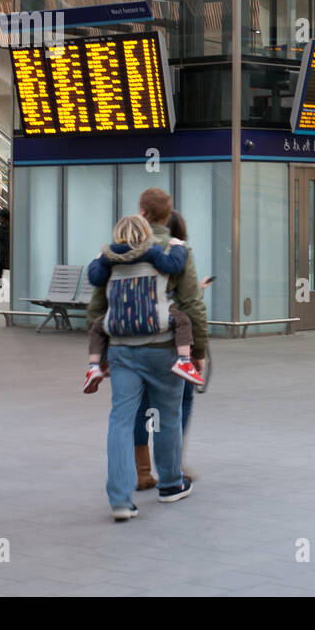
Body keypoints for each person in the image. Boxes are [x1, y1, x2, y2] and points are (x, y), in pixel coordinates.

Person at [86, 188, 207, 521]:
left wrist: (100, 352)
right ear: (168, 216)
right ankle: (170, 485)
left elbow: (97, 305)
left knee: (121, 421)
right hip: (164, 347)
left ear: (141, 212)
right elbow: (193, 303)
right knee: (168, 417)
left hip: (123, 348)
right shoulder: (173, 251)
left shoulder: (110, 253)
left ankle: (121, 500)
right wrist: (198, 351)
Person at [82, 214, 204, 394]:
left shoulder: (108, 258)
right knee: (182, 319)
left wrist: (97, 260)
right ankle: (184, 361)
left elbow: (95, 278)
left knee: (97, 327)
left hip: (117, 324)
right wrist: (179, 248)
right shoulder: (152, 252)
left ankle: (93, 366)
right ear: (146, 232)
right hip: (153, 321)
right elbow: (173, 266)